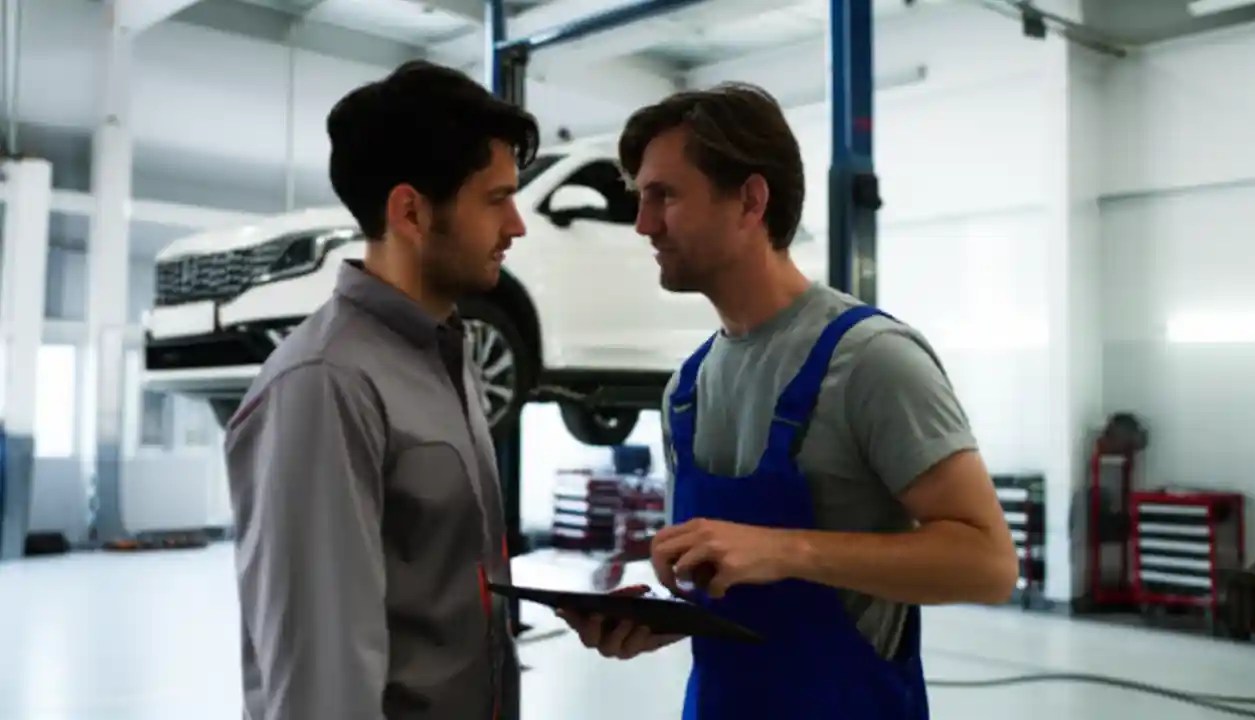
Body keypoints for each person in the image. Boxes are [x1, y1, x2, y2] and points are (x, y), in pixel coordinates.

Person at [559, 83, 1019, 719]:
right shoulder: (686, 390)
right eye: (642, 199)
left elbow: (989, 563)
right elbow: (735, 589)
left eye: (664, 195)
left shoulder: (870, 360)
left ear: (750, 200)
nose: (643, 224)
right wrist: (660, 621)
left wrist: (786, 550)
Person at [222, 60, 538, 720]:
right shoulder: (325, 386)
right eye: (495, 199)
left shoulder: (448, 355)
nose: (517, 225)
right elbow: (322, 682)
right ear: (411, 211)